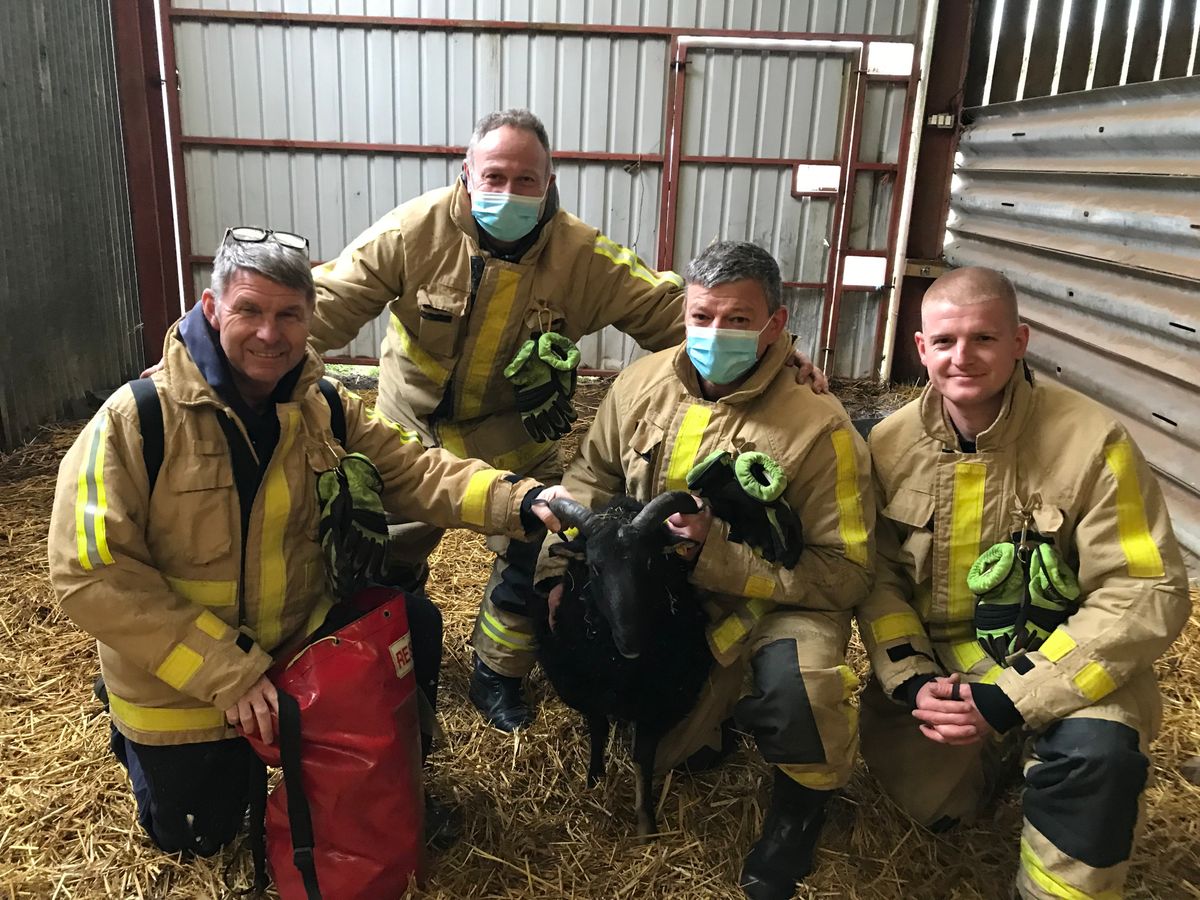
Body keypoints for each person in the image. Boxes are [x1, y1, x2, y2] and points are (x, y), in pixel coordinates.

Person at [47, 227, 572, 858]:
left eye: (289, 315)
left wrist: (522, 499)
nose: (270, 334)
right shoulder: (137, 420)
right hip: (187, 683)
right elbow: (90, 575)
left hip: (298, 642)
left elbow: (415, 470)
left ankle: (382, 778)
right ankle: (140, 741)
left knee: (413, 621)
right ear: (212, 309)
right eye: (249, 310)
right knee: (199, 840)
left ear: (310, 318)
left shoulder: (323, 405)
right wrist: (229, 674)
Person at [305, 107, 827, 732]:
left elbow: (676, 312)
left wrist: (775, 350)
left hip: (512, 438)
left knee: (543, 545)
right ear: (465, 174)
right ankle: (395, 660)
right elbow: (326, 302)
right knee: (378, 554)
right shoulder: (410, 233)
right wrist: (257, 361)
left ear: (549, 182)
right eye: (494, 177)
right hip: (407, 429)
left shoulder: (583, 256)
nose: (508, 192)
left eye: (526, 179)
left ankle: (497, 672)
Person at [535, 241, 874, 900]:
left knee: (801, 688)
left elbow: (846, 573)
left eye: (738, 320)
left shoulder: (819, 427)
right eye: (702, 316)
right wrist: (555, 568)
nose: (715, 333)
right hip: (667, 602)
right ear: (683, 313)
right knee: (670, 750)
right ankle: (711, 723)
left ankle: (797, 814)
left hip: (768, 602)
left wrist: (716, 556)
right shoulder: (639, 383)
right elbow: (590, 478)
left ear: (775, 325)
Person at [855, 266, 1190, 899]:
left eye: (984, 338)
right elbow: (879, 577)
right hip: (946, 669)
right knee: (936, 811)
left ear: (1019, 341)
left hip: (1065, 656)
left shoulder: (1093, 441)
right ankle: (1001, 760)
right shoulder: (888, 445)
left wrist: (1013, 699)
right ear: (921, 348)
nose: (963, 357)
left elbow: (1146, 590)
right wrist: (914, 678)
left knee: (1097, 755)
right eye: (946, 341)